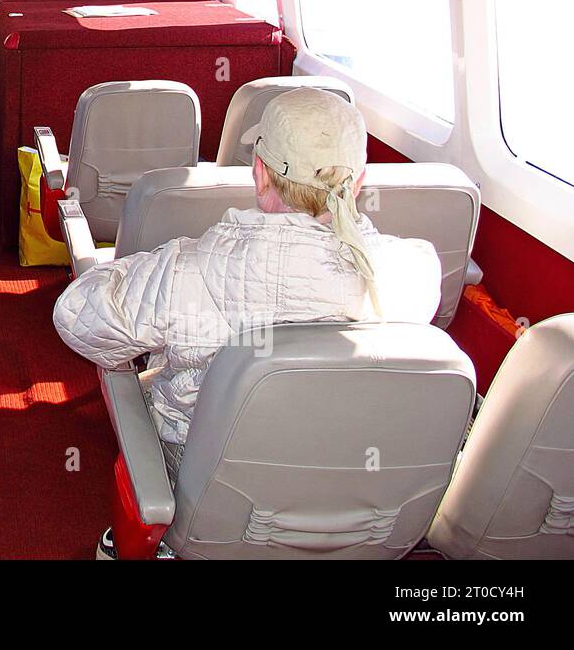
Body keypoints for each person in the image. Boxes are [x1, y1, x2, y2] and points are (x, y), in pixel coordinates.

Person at [51, 87, 442, 559]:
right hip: (366, 509)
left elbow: (77, 316)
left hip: (213, 503)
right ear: (357, 183)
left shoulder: (185, 272)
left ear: (259, 173)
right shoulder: (414, 274)